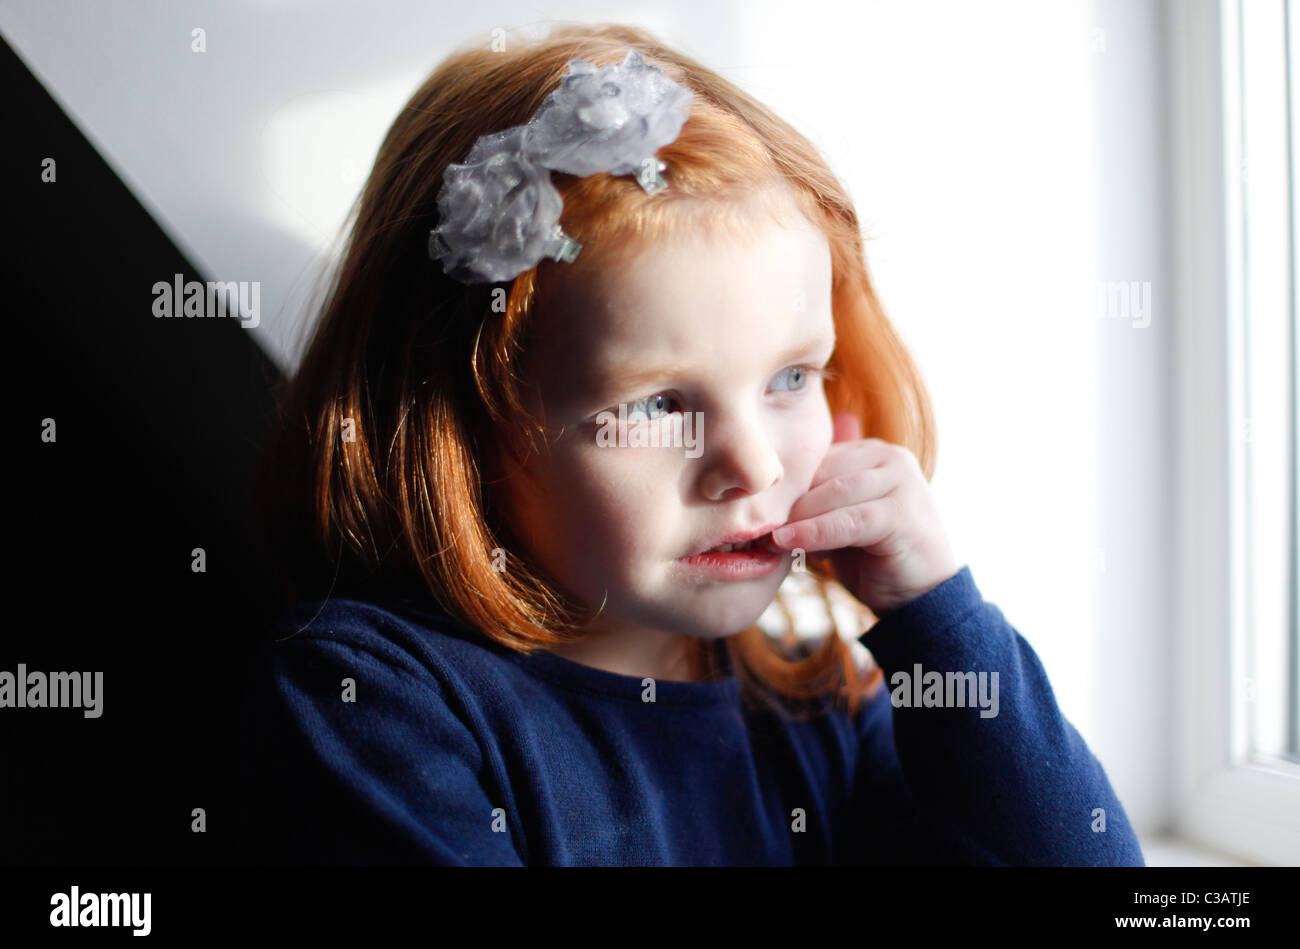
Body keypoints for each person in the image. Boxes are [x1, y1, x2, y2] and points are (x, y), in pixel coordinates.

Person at [236, 23, 1145, 866]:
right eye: (661, 404)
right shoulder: (374, 700)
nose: (752, 465)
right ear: (463, 430)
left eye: (793, 379)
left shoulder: (813, 704)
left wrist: (944, 625)